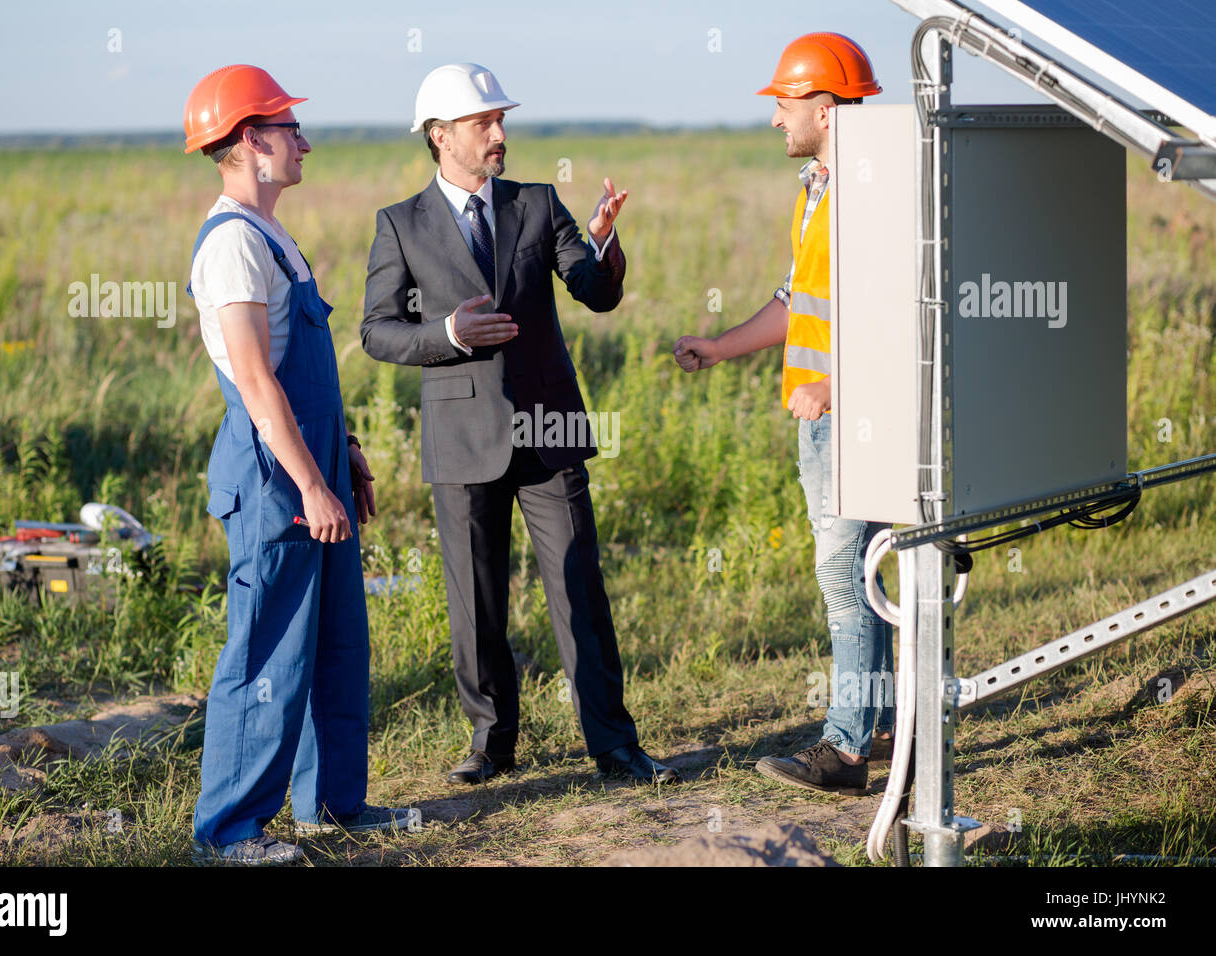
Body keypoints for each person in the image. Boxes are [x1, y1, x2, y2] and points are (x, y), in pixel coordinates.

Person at [361, 62, 677, 786]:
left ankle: (615, 747)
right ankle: (490, 742)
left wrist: (602, 242)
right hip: (461, 438)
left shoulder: (538, 203)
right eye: (484, 123)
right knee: (476, 601)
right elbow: (378, 332)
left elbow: (595, 293)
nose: (500, 134)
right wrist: (448, 332)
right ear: (442, 137)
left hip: (549, 432)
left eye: (502, 120)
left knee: (579, 589)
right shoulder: (400, 225)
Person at [183, 64, 409, 864]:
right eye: (288, 130)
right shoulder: (234, 245)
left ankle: (331, 805)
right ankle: (233, 831)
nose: (304, 142)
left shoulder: (274, 233)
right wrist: (310, 483)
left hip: (316, 466)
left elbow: (302, 364)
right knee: (269, 647)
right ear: (249, 141)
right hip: (272, 478)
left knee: (337, 642)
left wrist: (344, 458)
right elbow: (253, 378)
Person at [673, 34, 895, 796]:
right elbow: (800, 301)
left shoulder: (871, 183)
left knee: (844, 574)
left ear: (825, 108)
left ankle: (846, 750)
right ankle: (890, 725)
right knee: (862, 573)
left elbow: (898, 300)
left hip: (854, 413)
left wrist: (839, 382)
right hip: (825, 415)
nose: (775, 116)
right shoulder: (820, 184)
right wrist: (723, 346)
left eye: (784, 101)